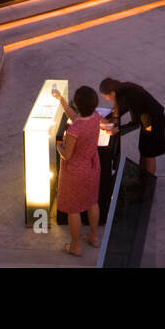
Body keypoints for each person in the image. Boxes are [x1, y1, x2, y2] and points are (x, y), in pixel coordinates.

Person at [51, 85, 102, 257]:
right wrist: (62, 101)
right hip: (92, 166)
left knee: (74, 209)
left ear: (78, 105)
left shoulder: (74, 130)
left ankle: (75, 246)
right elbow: (77, 118)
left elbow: (66, 155)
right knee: (92, 202)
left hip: (75, 171)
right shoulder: (95, 117)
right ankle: (93, 237)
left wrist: (58, 145)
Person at [98, 78, 165, 176]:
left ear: (112, 93)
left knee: (149, 153)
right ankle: (142, 175)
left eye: (106, 96)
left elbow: (135, 123)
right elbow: (120, 108)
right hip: (147, 121)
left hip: (153, 122)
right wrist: (110, 118)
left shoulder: (131, 95)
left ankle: (149, 182)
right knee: (143, 149)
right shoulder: (122, 89)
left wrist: (117, 130)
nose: (106, 99)